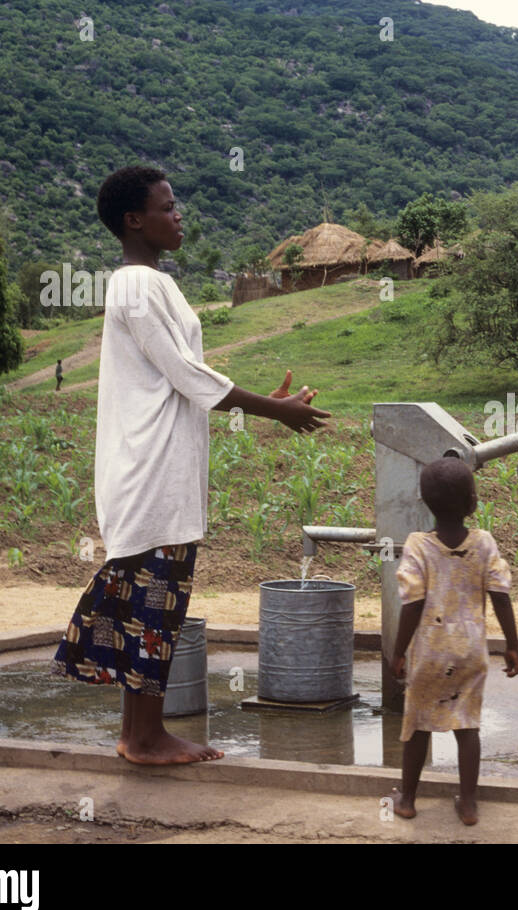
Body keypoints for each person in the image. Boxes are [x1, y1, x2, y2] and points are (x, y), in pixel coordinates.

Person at [50, 165, 329, 765]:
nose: (179, 216)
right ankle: (145, 736)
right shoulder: (137, 286)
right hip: (150, 473)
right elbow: (187, 375)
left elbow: (183, 375)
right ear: (135, 220)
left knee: (149, 604)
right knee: (152, 605)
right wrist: (273, 410)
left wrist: (269, 405)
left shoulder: (153, 283)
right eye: (168, 207)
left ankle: (137, 733)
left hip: (161, 469)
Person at [390, 457, 518, 826]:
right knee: (467, 726)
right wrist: (512, 644)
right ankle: (467, 803)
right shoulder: (483, 543)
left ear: (424, 501)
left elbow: (412, 603)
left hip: (430, 652)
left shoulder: (418, 545)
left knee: (416, 724)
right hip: (470, 651)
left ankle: (408, 799)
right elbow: (500, 594)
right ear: (473, 502)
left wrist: (398, 652)